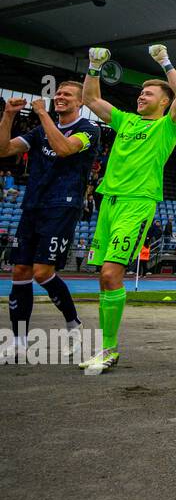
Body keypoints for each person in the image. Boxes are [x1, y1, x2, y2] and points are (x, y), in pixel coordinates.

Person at [77, 44, 176, 373]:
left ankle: (108, 349)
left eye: (149, 93)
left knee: (111, 273)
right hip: (108, 201)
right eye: (141, 93)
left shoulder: (167, 127)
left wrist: (165, 62)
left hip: (137, 203)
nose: (141, 96)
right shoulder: (125, 121)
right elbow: (91, 100)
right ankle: (106, 348)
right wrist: (94, 66)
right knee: (103, 279)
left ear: (163, 102)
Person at [0, 84, 99, 362]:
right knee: (20, 270)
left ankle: (73, 323)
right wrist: (8, 115)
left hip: (62, 204)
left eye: (67, 94)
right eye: (58, 94)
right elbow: (4, 148)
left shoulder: (90, 129)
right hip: (33, 204)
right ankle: (19, 341)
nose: (60, 97)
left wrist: (43, 114)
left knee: (42, 272)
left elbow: (65, 148)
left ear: (80, 101)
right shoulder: (39, 131)